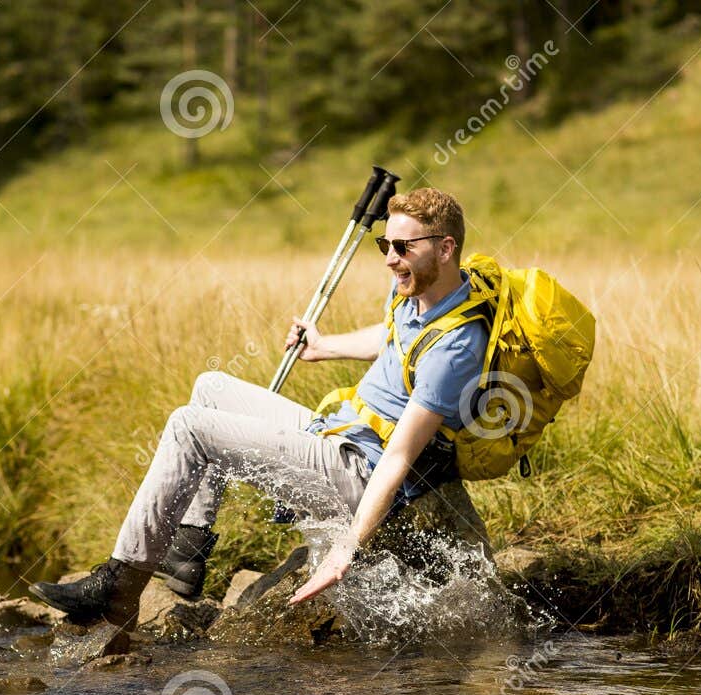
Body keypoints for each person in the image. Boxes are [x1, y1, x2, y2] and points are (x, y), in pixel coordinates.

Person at [30, 187, 487, 628]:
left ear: (445, 248)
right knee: (210, 387)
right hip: (338, 434)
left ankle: (120, 589)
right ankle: (186, 556)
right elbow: (390, 338)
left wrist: (347, 547)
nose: (390, 258)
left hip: (359, 471)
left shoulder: (456, 347)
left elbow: (399, 457)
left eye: (402, 247)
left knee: (189, 426)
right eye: (384, 243)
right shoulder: (414, 291)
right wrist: (322, 347)